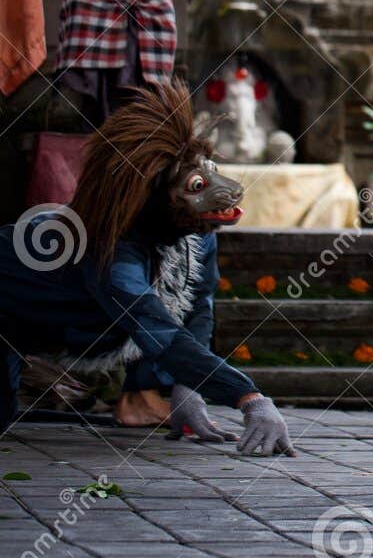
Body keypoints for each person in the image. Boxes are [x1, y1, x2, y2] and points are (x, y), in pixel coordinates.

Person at [0, 82, 295, 456]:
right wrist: (249, 398)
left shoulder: (194, 229)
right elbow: (157, 331)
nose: (229, 189)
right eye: (197, 185)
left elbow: (198, 307)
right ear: (157, 196)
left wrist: (188, 388)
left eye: (211, 172)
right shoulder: (112, 253)